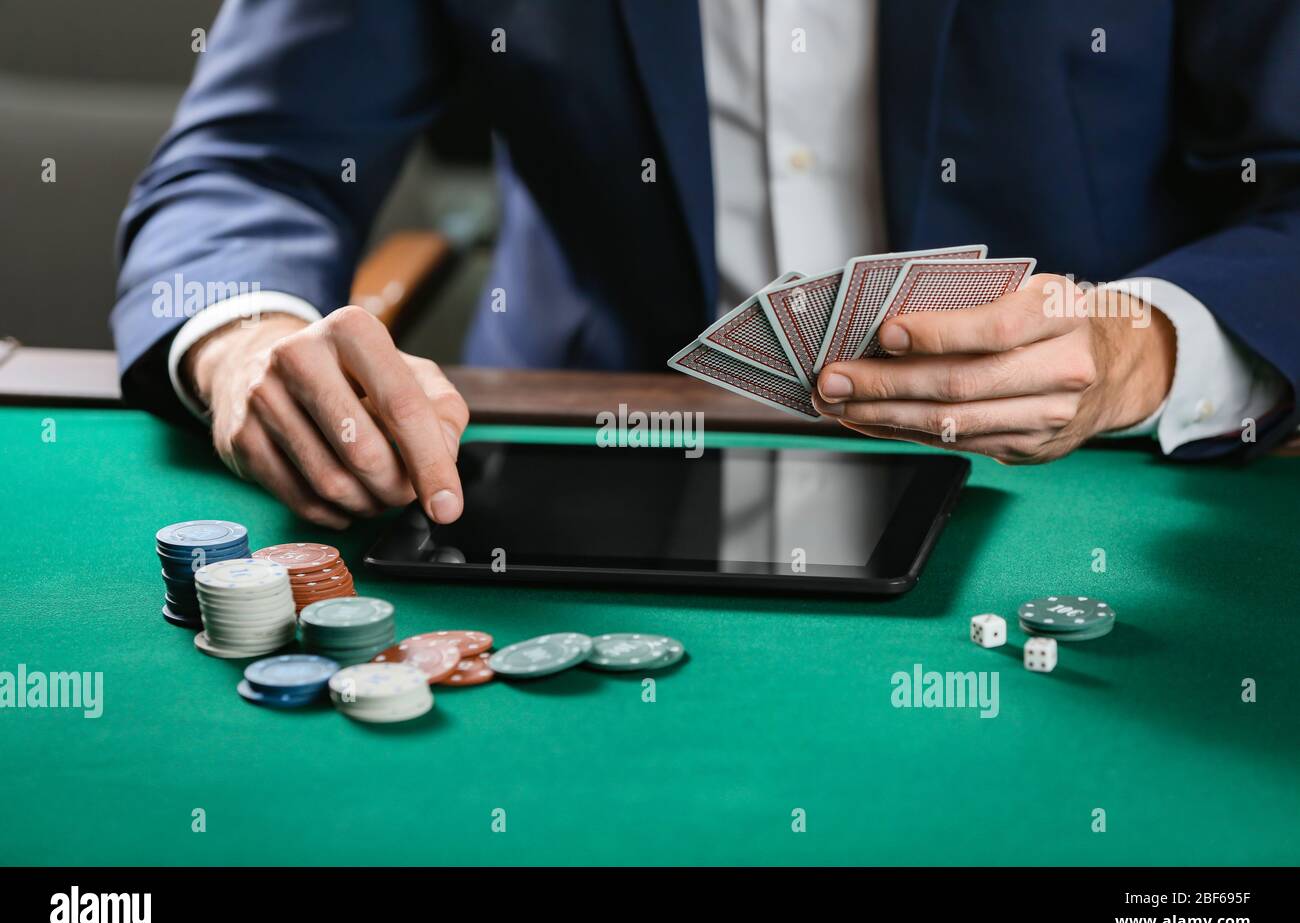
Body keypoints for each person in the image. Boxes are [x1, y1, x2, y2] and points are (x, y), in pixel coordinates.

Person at [112, 1, 1300, 529]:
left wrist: (1141, 349)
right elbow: (249, 159)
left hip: (1092, 487)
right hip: (576, 474)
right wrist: (242, 341)